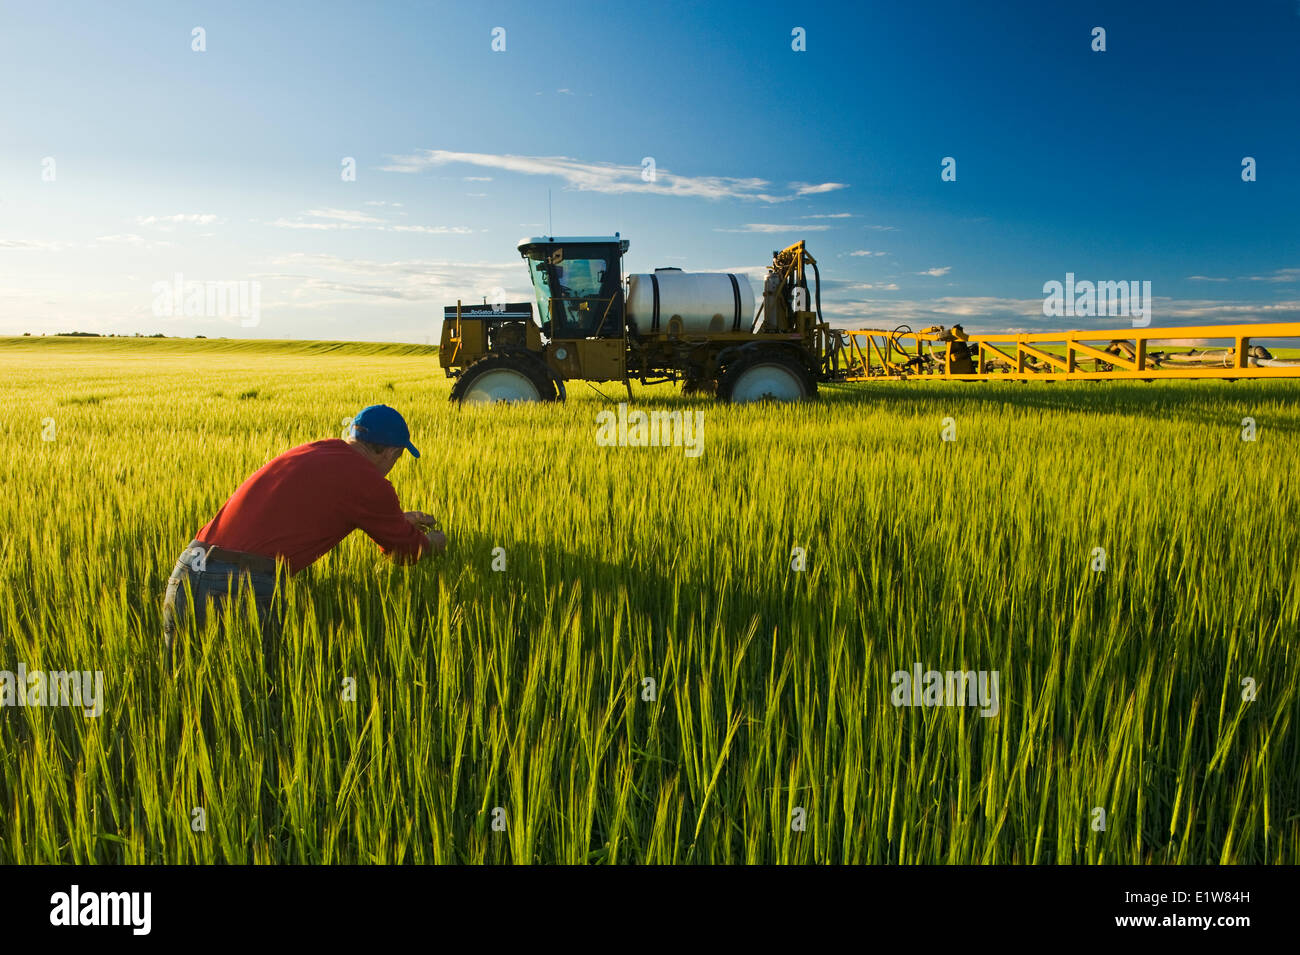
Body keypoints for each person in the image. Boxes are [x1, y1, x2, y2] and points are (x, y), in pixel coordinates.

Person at [162, 404, 446, 664]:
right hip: (239, 586)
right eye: (397, 457)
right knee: (252, 697)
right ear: (390, 452)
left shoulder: (313, 450)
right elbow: (407, 551)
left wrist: (396, 520)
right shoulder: (369, 481)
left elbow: (314, 504)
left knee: (183, 692)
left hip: (187, 570)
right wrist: (436, 542)